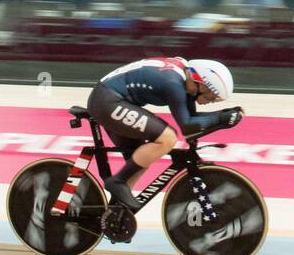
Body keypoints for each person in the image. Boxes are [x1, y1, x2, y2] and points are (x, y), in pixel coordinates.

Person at [87, 57, 242, 211]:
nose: (210, 101)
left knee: (141, 160)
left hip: (110, 99)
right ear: (200, 82)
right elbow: (187, 126)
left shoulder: (184, 78)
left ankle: (115, 214)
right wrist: (221, 118)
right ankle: (117, 182)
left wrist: (224, 114)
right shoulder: (173, 84)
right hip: (108, 102)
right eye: (210, 96)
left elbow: (192, 118)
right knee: (167, 138)